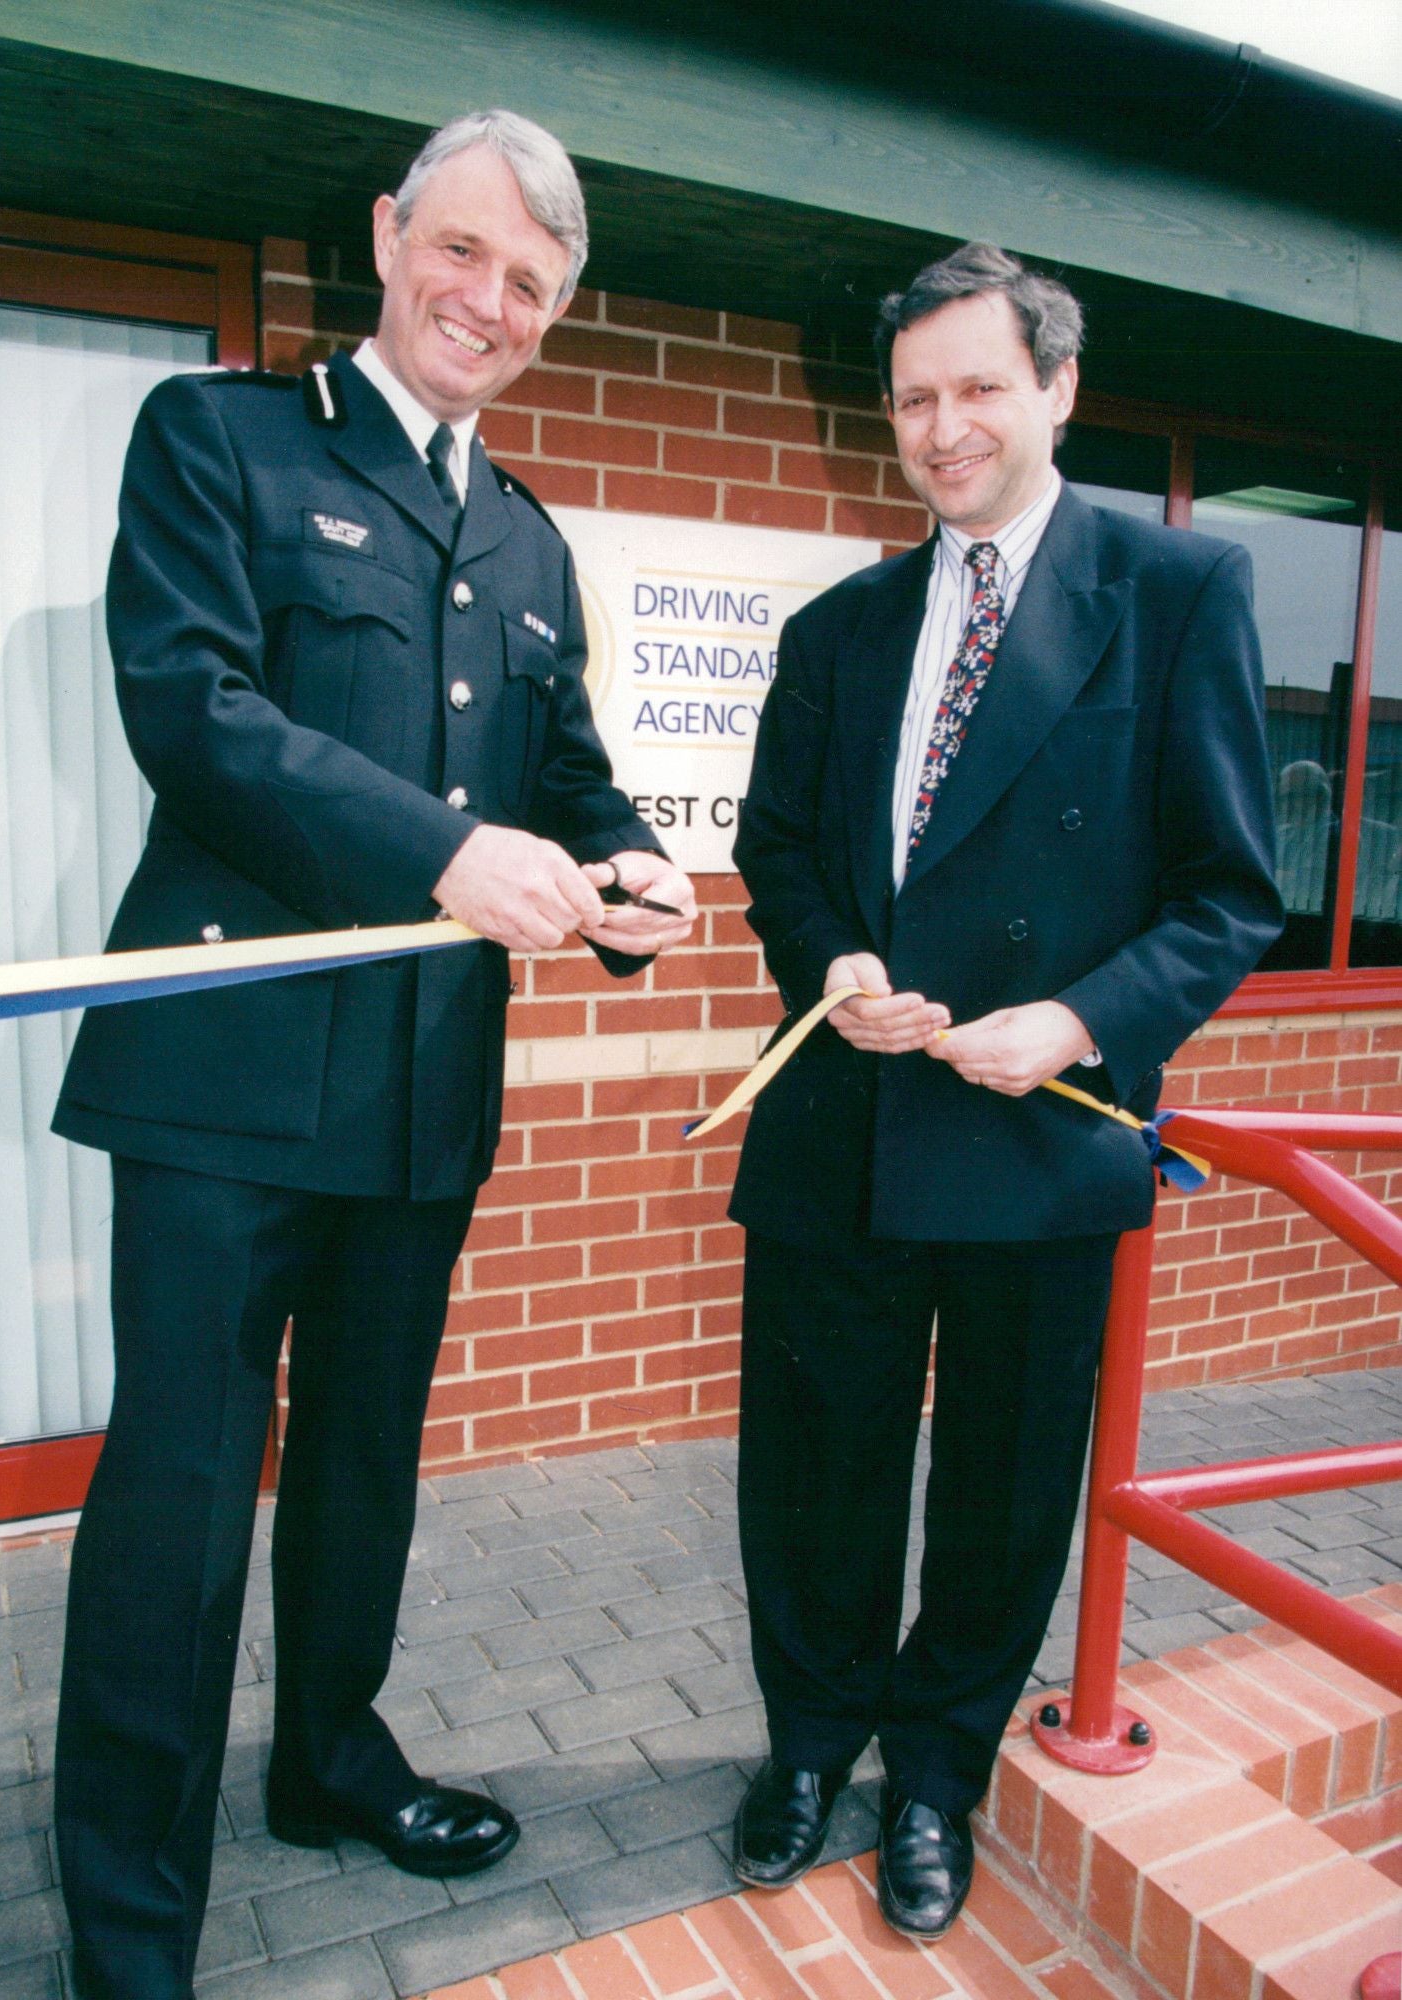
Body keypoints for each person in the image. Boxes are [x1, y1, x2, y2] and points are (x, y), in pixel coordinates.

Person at [50, 109, 695, 2000]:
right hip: (222, 1086)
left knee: (361, 1470)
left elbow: (560, 773)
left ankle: (331, 1764)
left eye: (532, 286)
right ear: (391, 229)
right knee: (178, 1505)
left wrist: (630, 858)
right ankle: (133, 1925)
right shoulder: (222, 440)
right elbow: (194, 708)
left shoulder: (526, 536)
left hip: (422, 1091)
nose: (487, 303)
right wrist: (442, 849)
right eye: (466, 252)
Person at [727, 242, 1281, 1938]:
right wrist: (830, 967)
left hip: (1039, 1132)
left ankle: (937, 1776)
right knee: (815, 1465)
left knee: (1003, 1480)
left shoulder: (1178, 590)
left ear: (1056, 387)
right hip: (848, 1127)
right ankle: (811, 1742)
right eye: (912, 397)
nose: (942, 425)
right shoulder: (839, 626)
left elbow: (1229, 893)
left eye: (977, 386)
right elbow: (784, 855)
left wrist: (1077, 1020)